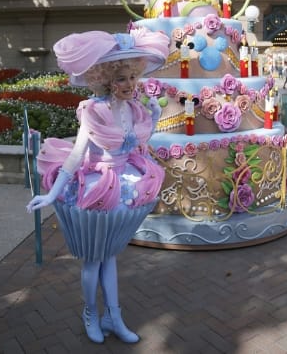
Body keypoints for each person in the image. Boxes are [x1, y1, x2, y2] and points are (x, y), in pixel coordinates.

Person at [26, 27, 170, 344]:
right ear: (105, 80)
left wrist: (155, 116)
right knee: (93, 260)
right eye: (121, 79)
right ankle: (91, 313)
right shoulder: (93, 110)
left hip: (124, 184)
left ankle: (113, 316)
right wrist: (51, 193)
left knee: (111, 257)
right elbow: (77, 155)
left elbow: (137, 144)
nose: (130, 84)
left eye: (132, 77)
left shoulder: (135, 108)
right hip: (97, 187)